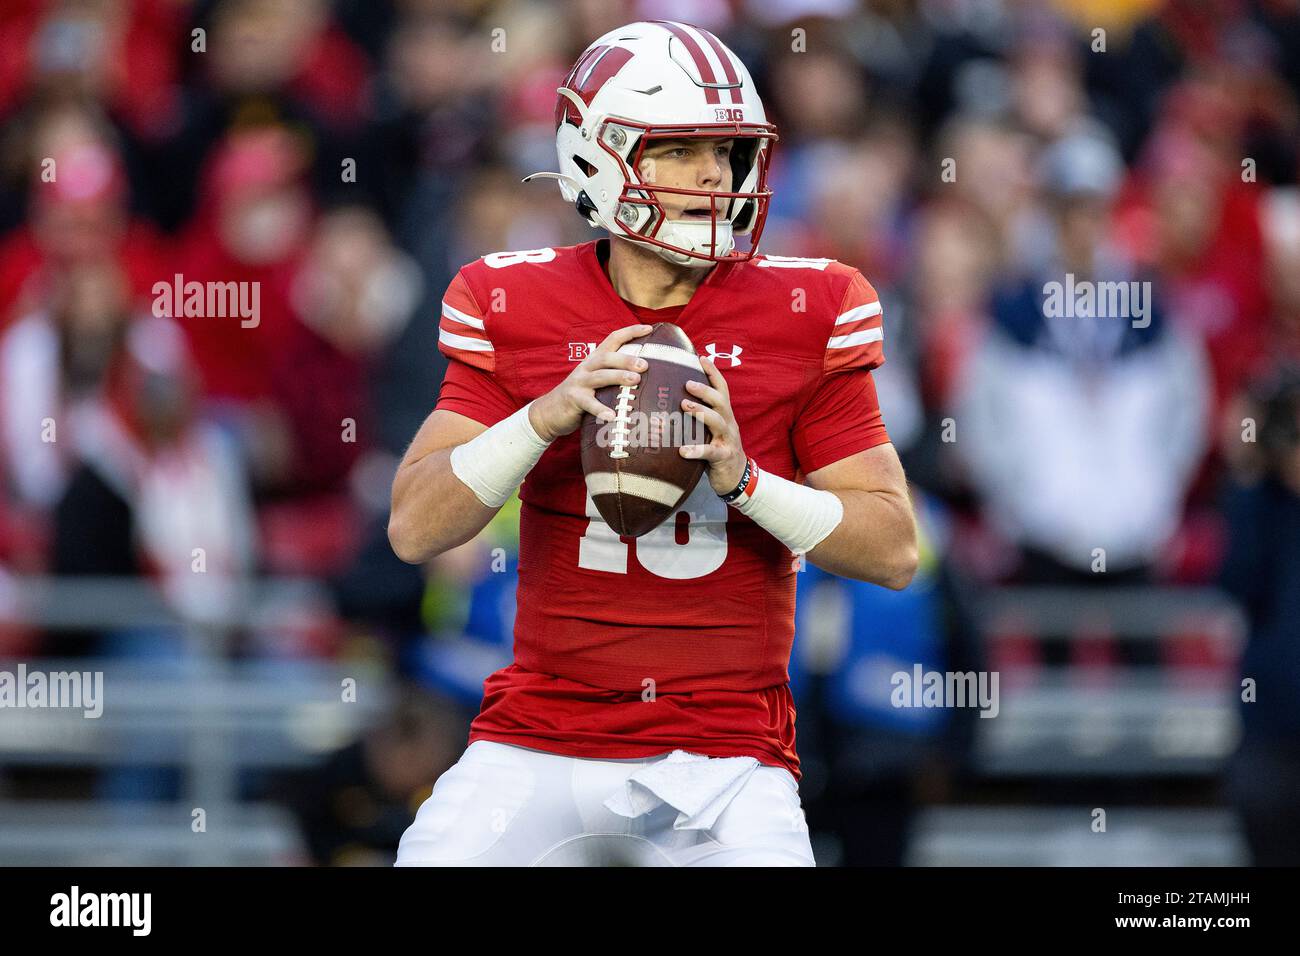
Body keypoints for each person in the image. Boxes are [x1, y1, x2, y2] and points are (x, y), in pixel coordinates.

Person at [388, 21, 916, 867]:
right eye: (679, 149)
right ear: (596, 155)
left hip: (727, 757)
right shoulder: (510, 300)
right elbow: (414, 528)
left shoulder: (810, 305)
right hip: (540, 738)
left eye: (727, 149)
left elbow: (893, 550)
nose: (714, 173)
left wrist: (747, 483)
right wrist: (543, 419)